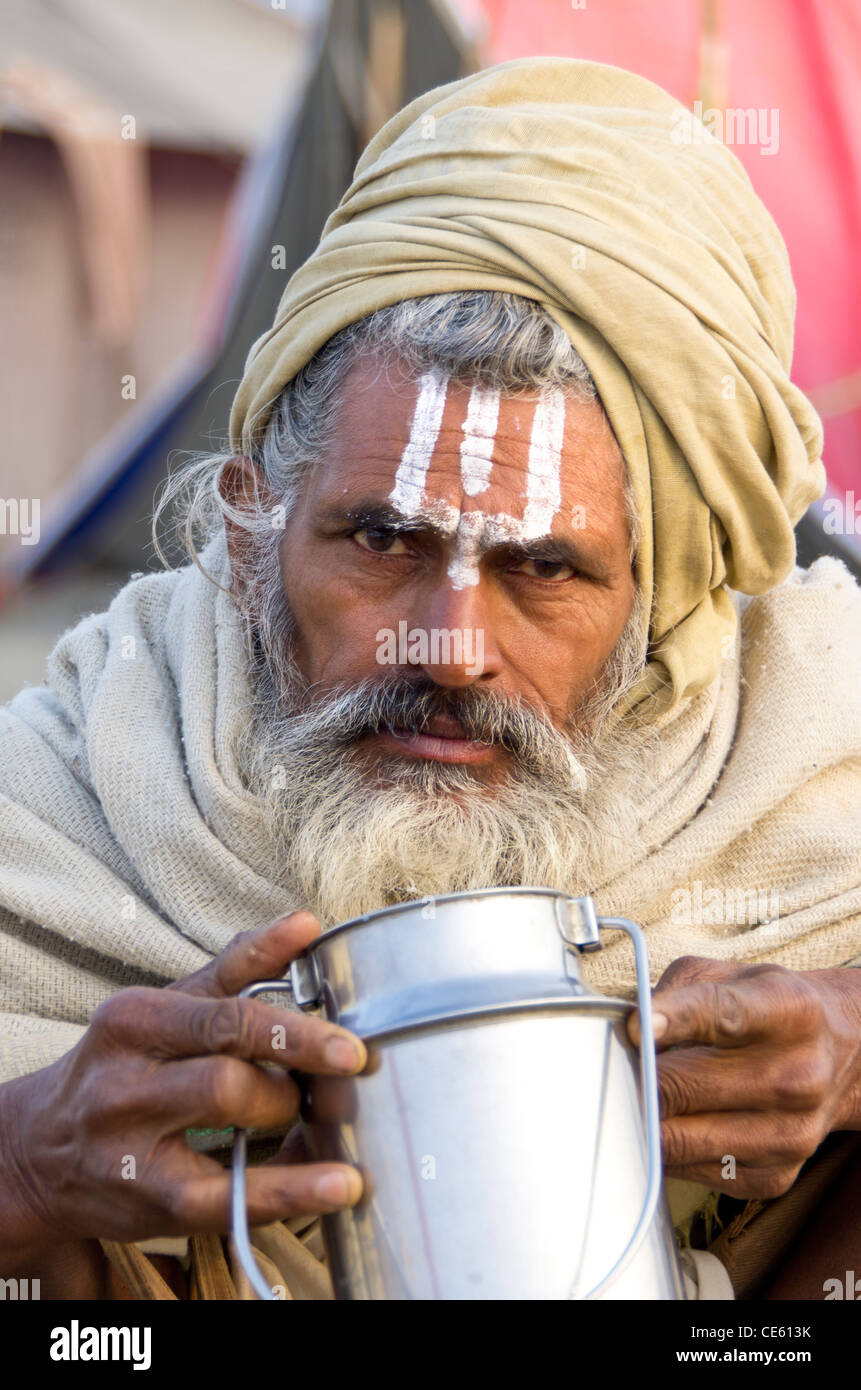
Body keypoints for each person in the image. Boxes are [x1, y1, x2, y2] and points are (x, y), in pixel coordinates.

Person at [1, 58, 859, 1301]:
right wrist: (30, 1159)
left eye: (546, 568)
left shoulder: (811, 742)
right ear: (252, 537)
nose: (447, 648)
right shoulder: (65, 793)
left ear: (663, 612)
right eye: (382, 540)